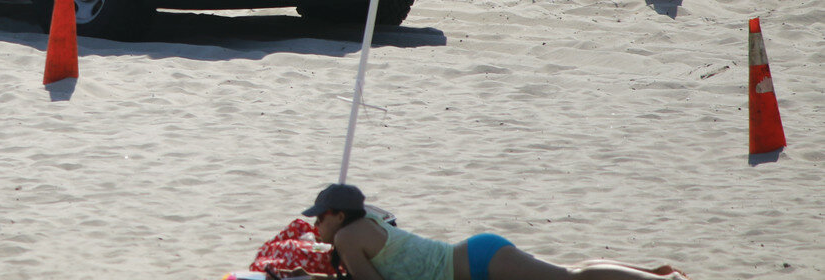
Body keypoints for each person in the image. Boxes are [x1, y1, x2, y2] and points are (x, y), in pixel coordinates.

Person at [289, 182, 689, 280]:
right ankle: (650, 272)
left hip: (478, 262)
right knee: (571, 271)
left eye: (320, 217)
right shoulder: (369, 221)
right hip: (477, 254)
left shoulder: (347, 237)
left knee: (569, 277)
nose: (315, 224)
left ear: (338, 216)